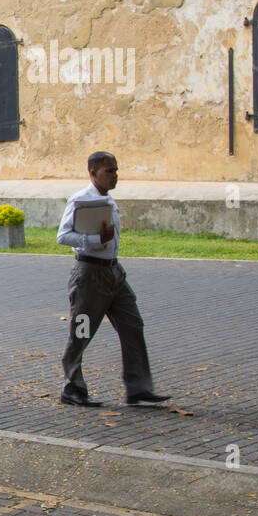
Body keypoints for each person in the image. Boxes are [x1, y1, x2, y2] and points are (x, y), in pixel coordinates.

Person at [56, 152, 169, 407]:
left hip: (114, 273)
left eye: (116, 170)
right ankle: (72, 388)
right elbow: (63, 237)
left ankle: (138, 388)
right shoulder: (81, 200)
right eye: (109, 171)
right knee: (81, 331)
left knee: (132, 325)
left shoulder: (108, 200)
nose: (115, 175)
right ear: (93, 173)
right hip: (88, 275)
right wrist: (95, 241)